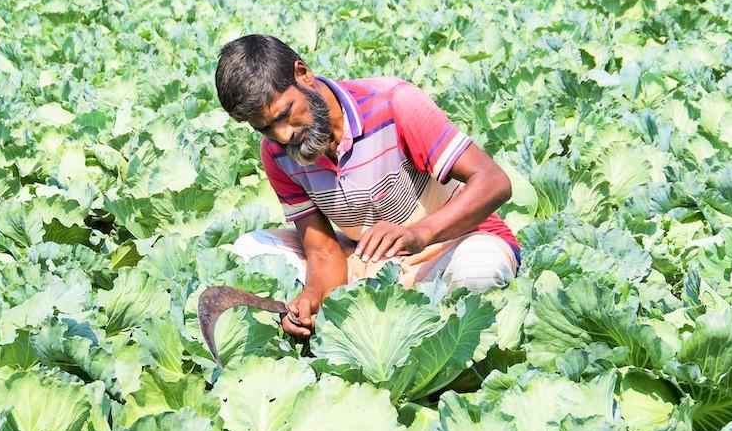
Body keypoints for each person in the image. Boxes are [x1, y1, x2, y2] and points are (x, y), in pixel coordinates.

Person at [214, 34, 520, 339]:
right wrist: (313, 296)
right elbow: (322, 253)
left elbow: (494, 182)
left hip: (450, 247)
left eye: (283, 115)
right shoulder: (276, 154)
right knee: (249, 251)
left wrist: (419, 233)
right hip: (368, 260)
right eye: (264, 127)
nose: (283, 135)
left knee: (481, 268)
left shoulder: (392, 103)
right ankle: (372, 311)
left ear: (303, 74)